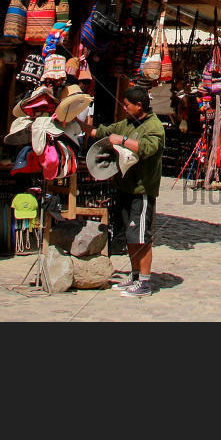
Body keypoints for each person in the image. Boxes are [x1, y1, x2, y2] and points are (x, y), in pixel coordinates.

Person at [93, 85, 165, 298]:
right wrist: (79, 125)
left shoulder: (154, 126)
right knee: (130, 235)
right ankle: (134, 275)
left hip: (142, 190)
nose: (124, 108)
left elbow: (148, 147)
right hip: (126, 187)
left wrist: (122, 140)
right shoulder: (126, 124)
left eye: (127, 105)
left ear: (139, 106)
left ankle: (144, 282)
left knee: (141, 236)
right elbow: (105, 131)